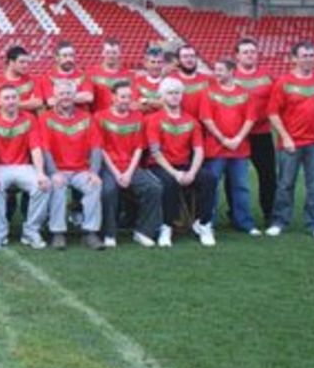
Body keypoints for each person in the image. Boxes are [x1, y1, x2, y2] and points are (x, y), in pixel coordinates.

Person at [265, 41, 314, 240]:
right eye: (304, 55)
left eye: (311, 55)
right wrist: (285, 137)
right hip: (290, 143)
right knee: (285, 184)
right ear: (294, 58)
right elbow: (272, 113)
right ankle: (279, 221)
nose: (308, 59)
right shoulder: (283, 82)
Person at [145, 78, 216, 247]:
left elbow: (199, 150)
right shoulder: (154, 120)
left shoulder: (191, 121)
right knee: (169, 183)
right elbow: (155, 152)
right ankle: (166, 226)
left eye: (177, 93)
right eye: (170, 93)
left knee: (209, 179)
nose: (174, 96)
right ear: (162, 96)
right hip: (159, 165)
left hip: (184, 164)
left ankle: (203, 223)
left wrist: (191, 172)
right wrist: (175, 173)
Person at [94, 81, 162, 248]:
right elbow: (100, 149)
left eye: (129, 97)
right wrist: (117, 174)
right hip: (109, 167)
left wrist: (129, 172)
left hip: (131, 167)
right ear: (113, 97)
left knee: (154, 188)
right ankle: (109, 233)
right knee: (108, 191)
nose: (125, 100)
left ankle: (143, 231)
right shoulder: (100, 117)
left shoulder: (138, 116)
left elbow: (139, 147)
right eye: (122, 96)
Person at [0, 85, 51, 251]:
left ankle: (31, 231)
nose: (11, 101)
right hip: (0, 167)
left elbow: (35, 148)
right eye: (6, 98)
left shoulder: (29, 118)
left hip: (23, 166)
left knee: (43, 185)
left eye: (14, 97)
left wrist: (41, 173)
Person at [39, 81, 104, 250]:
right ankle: (58, 232)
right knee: (57, 186)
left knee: (94, 185)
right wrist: (53, 173)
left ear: (74, 96)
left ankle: (90, 232)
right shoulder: (45, 118)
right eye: (62, 94)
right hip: (57, 169)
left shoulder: (86, 117)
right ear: (55, 97)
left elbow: (96, 147)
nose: (65, 97)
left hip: (81, 170)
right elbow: (45, 149)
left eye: (69, 93)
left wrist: (94, 172)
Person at [199, 58, 260, 235]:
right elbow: (206, 119)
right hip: (216, 149)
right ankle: (207, 222)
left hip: (239, 151)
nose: (216, 73)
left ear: (231, 71)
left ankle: (244, 222)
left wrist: (238, 138)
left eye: (220, 70)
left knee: (241, 187)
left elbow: (250, 119)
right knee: (213, 188)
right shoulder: (208, 92)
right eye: (215, 69)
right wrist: (224, 139)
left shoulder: (245, 93)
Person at [233, 37, 277, 225]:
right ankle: (235, 214)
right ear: (237, 56)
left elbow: (279, 101)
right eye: (246, 52)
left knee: (268, 175)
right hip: (236, 135)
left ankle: (270, 213)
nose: (250, 55)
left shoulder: (268, 76)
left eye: (253, 52)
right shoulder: (230, 76)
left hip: (261, 133)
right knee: (233, 177)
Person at [39, 41, 93, 110]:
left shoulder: (83, 75)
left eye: (71, 55)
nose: (68, 59)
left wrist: (61, 97)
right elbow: (51, 101)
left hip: (81, 117)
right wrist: (77, 96)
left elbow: (89, 97)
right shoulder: (48, 77)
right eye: (65, 56)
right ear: (56, 57)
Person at [0, 45, 41, 111]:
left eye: (27, 62)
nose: (26, 65)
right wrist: (27, 103)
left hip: (28, 119)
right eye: (22, 62)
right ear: (11, 62)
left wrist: (7, 104)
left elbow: (38, 102)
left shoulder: (32, 79)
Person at [87, 38, 134, 113]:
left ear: (119, 53)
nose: (111, 55)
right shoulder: (91, 74)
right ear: (102, 53)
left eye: (114, 52)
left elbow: (133, 100)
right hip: (98, 120)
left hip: (121, 120)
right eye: (108, 52)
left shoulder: (129, 76)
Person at [170, 44, 211, 118]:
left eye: (192, 56)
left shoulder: (208, 80)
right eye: (185, 57)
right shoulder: (170, 80)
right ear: (178, 60)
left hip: (203, 126)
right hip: (179, 126)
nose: (189, 59)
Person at [134, 46, 166, 114]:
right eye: (153, 62)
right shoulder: (137, 81)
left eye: (159, 62)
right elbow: (137, 103)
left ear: (163, 64)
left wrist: (146, 101)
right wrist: (158, 102)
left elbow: (166, 104)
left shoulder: (168, 82)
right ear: (146, 63)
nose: (156, 66)